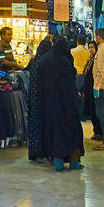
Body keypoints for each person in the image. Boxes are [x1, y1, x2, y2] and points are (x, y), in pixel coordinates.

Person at [36, 37, 84, 171]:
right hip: (68, 103)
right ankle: (74, 162)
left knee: (56, 131)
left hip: (51, 104)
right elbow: (70, 82)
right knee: (73, 130)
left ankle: (58, 162)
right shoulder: (65, 62)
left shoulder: (44, 61)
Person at [25, 36, 54, 162]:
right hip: (43, 98)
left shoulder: (34, 61)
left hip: (33, 98)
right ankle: (43, 152)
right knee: (43, 125)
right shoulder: (46, 63)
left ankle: (34, 152)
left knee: (34, 124)